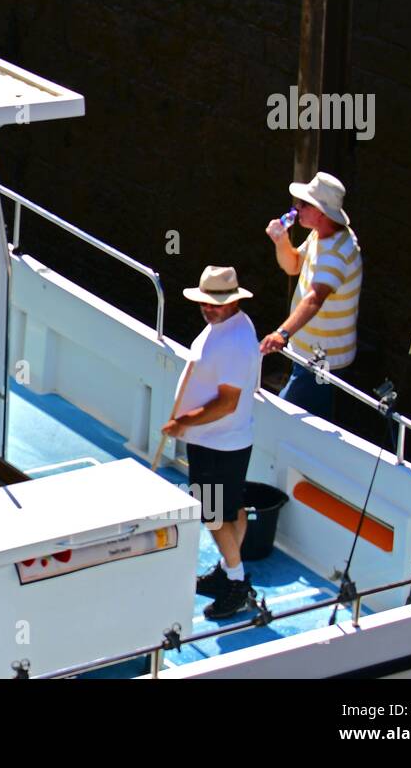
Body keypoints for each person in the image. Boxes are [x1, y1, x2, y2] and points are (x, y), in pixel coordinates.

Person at [162, 266, 261, 620]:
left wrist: (182, 423)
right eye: (205, 302)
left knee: (214, 513)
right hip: (226, 442)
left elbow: (227, 402)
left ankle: (236, 584)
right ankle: (227, 568)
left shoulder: (235, 342)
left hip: (216, 443)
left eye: (215, 304)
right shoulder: (231, 326)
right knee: (230, 509)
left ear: (233, 302)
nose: (208, 308)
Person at [259, 172, 362, 421]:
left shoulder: (337, 252)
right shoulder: (320, 235)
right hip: (308, 355)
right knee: (311, 421)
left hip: (321, 361)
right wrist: (281, 241)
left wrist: (281, 334)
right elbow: (294, 265)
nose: (297, 207)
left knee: (283, 419)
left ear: (321, 212)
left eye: (304, 204)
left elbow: (315, 298)